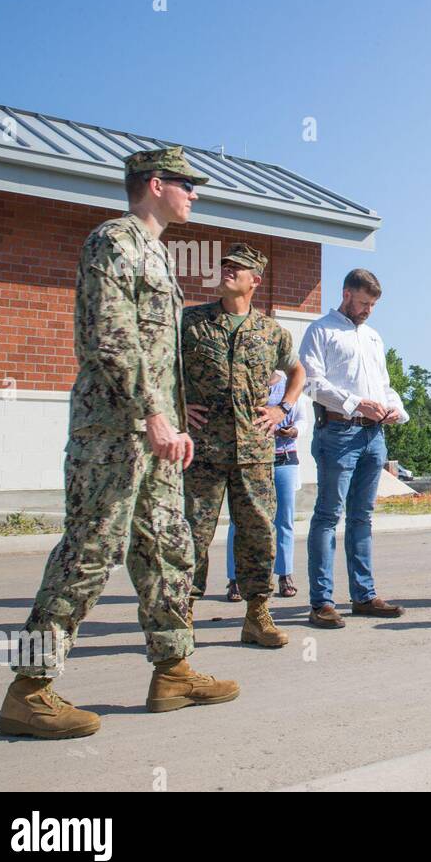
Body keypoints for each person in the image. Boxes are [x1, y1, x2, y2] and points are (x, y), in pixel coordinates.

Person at [0, 147, 238, 739]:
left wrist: (174, 420)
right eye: (187, 184)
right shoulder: (114, 242)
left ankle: (173, 669)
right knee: (89, 553)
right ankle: (28, 690)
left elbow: (158, 353)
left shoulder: (155, 251)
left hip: (155, 438)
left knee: (167, 549)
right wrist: (154, 415)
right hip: (114, 432)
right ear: (156, 184)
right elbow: (107, 338)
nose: (194, 194)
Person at [182, 244, 305, 647]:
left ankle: (257, 613)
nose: (228, 270)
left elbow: (297, 370)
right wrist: (177, 407)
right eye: (225, 265)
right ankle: (181, 614)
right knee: (193, 533)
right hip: (202, 450)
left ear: (256, 279)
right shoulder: (192, 321)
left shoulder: (271, 332)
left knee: (258, 532)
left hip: (253, 450)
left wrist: (281, 408)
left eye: (238, 268)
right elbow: (162, 367)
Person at [299, 269, 409, 628]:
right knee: (328, 516)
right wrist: (355, 402)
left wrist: (396, 409)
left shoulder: (374, 338)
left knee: (362, 517)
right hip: (338, 433)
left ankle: (363, 595)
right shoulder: (321, 331)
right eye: (363, 303)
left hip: (373, 436)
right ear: (346, 293)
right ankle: (322, 602)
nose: (367, 310)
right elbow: (311, 382)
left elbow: (385, 385)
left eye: (373, 305)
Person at [225, 370, 302, 600]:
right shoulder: (242, 381)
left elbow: (302, 418)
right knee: (239, 520)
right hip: (249, 459)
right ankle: (235, 578)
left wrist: (295, 430)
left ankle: (284, 574)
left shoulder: (289, 385)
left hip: (283, 457)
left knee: (284, 520)